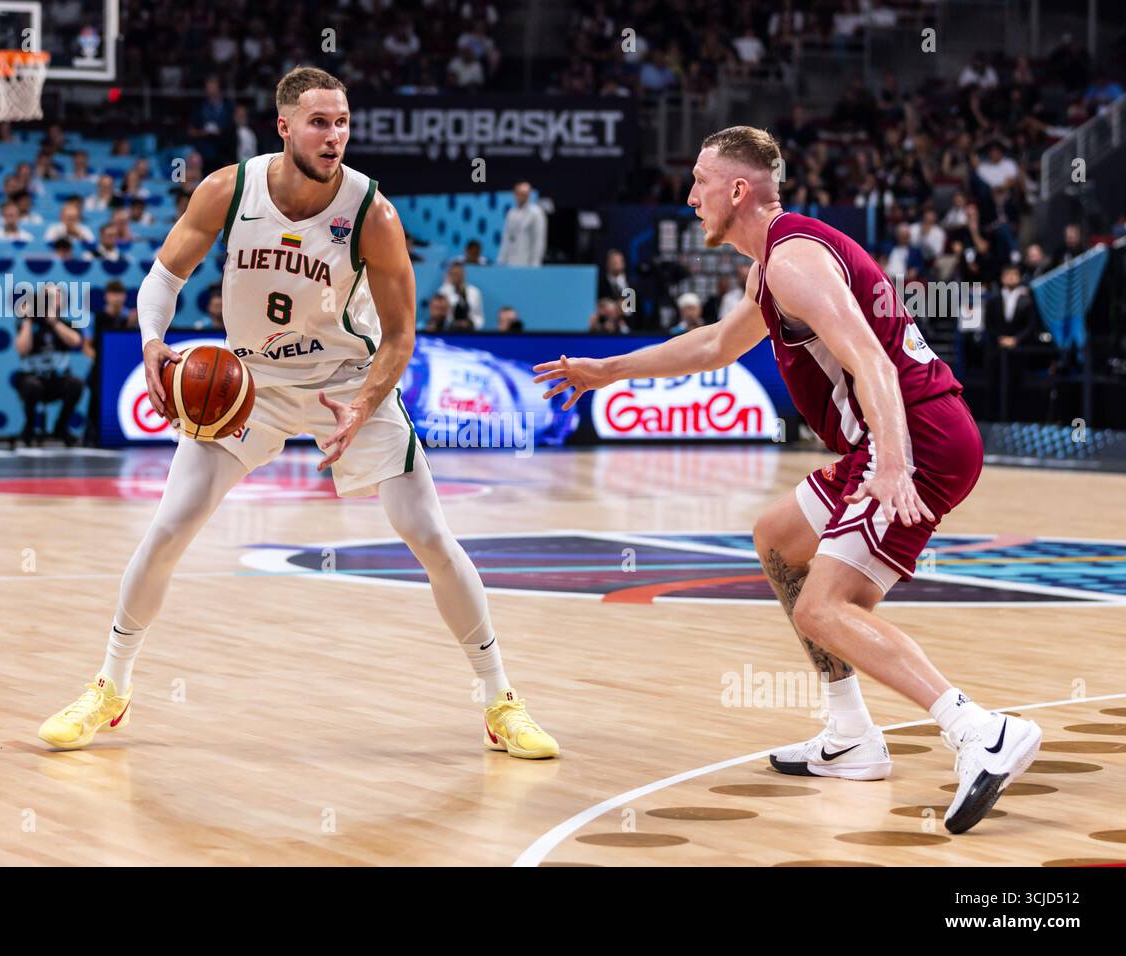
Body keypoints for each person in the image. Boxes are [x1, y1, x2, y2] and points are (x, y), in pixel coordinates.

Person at [38, 66, 557, 760]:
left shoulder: (372, 213)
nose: (334, 135)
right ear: (284, 126)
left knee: (426, 532)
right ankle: (110, 687)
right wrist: (154, 344)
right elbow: (162, 280)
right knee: (169, 528)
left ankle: (500, 702)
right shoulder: (228, 190)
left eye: (342, 121)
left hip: (345, 381)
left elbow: (401, 335)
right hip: (250, 381)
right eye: (319, 121)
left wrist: (365, 403)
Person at [534, 126, 1041, 834]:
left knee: (823, 608)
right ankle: (851, 738)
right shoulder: (771, 265)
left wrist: (892, 458)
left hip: (913, 435)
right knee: (777, 539)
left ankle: (977, 730)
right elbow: (714, 344)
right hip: (899, 434)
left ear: (737, 190)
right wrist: (606, 370)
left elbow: (869, 357)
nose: (690, 196)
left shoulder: (793, 263)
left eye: (700, 182)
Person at [13, 284, 85, 447]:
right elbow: (22, 349)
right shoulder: (30, 324)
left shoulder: (66, 323)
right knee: (32, 386)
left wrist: (54, 323)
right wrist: (28, 319)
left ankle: (61, 427)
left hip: (57, 379)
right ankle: (29, 427)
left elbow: (76, 341)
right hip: (32, 378)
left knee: (76, 384)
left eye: (57, 295)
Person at [83, 280, 137, 445]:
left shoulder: (130, 318)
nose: (116, 298)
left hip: (122, 370)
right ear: (107, 296)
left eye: (119, 294)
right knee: (95, 400)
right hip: (100, 369)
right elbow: (86, 346)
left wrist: (131, 324)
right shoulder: (95, 318)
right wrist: (101, 361)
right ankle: (91, 434)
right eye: (113, 294)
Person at [497, 182, 546, 266]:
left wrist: (535, 264)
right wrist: (501, 261)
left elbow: (539, 240)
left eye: (525, 194)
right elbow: (506, 239)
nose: (523, 196)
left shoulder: (536, 213)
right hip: (510, 262)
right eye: (521, 193)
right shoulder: (511, 213)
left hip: (527, 263)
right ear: (515, 194)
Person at [437, 261, 485, 329]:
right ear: (449, 274)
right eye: (453, 274)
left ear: (464, 274)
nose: (456, 276)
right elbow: (439, 315)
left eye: (458, 273)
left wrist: (472, 324)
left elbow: (479, 316)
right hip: (449, 330)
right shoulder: (443, 292)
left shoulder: (475, 292)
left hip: (470, 330)